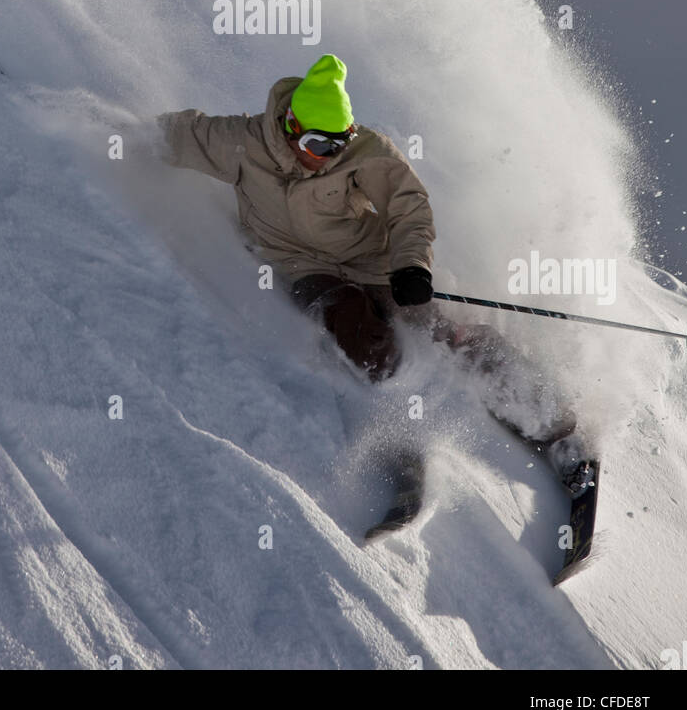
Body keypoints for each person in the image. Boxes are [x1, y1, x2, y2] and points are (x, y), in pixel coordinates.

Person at [157, 54, 576, 445]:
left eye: (340, 143)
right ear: (291, 127)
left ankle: (540, 405)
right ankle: (407, 425)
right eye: (321, 146)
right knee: (359, 329)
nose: (330, 156)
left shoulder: (364, 153)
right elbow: (177, 134)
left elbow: (409, 206)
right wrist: (116, 137)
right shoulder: (242, 143)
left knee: (437, 328)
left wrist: (412, 267)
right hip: (304, 268)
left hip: (372, 262)